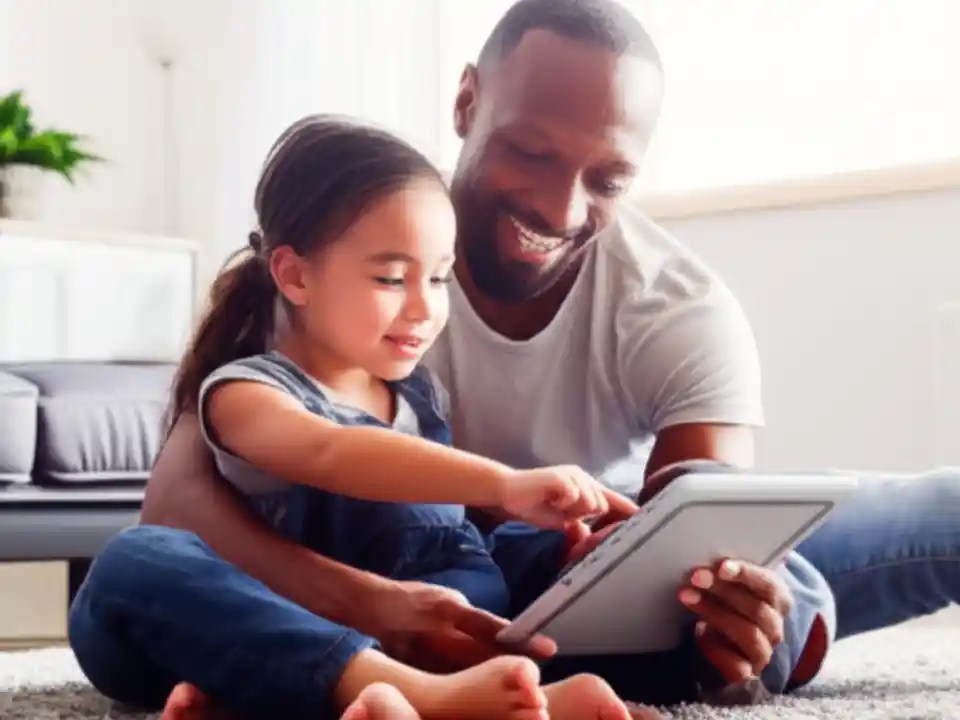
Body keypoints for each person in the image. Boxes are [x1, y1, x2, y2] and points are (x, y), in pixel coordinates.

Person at [73, 0, 960, 714]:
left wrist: (738, 616)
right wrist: (379, 610)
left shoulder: (675, 305)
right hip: (375, 578)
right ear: (465, 103)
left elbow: (693, 536)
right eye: (533, 153)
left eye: (606, 175)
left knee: (930, 517)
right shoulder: (340, 259)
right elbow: (179, 506)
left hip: (572, 569)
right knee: (153, 569)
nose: (560, 202)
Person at [69, 115, 653, 720]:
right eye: (392, 278)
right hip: (274, 626)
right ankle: (419, 697)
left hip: (427, 615)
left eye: (439, 277)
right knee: (134, 562)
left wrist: (562, 539)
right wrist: (503, 483)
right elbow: (328, 450)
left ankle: (313, 700)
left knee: (537, 547)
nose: (426, 307)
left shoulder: (419, 396)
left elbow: (451, 541)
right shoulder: (247, 391)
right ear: (296, 275)